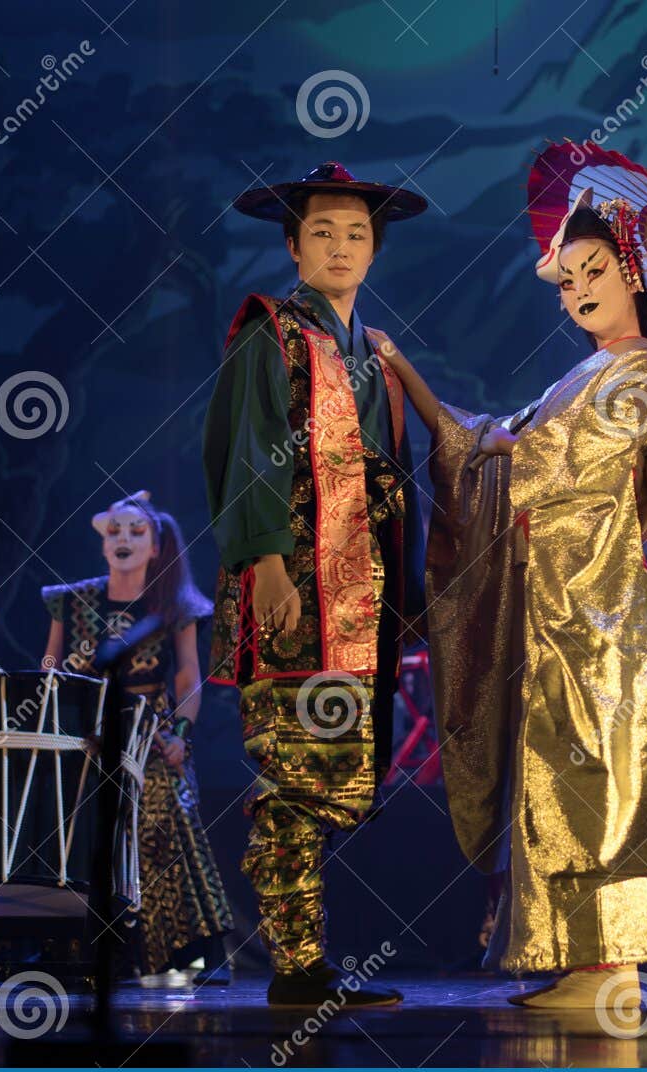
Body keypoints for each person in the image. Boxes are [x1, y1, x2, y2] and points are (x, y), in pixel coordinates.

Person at [376, 186, 647, 1008]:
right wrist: (409, 379)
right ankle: (577, 960)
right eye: (565, 279)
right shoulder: (593, 367)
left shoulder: (642, 369)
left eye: (595, 270)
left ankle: (611, 958)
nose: (578, 289)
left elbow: (555, 459)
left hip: (595, 602)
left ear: (635, 278)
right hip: (556, 600)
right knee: (554, 771)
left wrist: (493, 442)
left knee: (594, 766)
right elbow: (498, 441)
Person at [202, 162, 425, 1008]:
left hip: (356, 599)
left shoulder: (368, 351)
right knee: (290, 777)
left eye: (357, 235)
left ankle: (308, 960)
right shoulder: (271, 334)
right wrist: (265, 563)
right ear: (293, 247)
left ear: (373, 254)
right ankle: (296, 969)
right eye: (322, 233)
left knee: (331, 769)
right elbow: (247, 449)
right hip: (293, 586)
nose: (340, 246)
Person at [42, 491, 234, 985]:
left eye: (135, 531)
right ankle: (83, 946)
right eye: (115, 531)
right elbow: (51, 664)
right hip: (85, 733)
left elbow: (190, 677)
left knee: (160, 814)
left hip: (152, 729)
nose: (123, 538)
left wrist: (181, 736)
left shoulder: (173, 606)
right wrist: (48, 687)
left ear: (155, 547)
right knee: (75, 827)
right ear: (104, 545)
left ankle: (194, 950)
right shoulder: (73, 599)